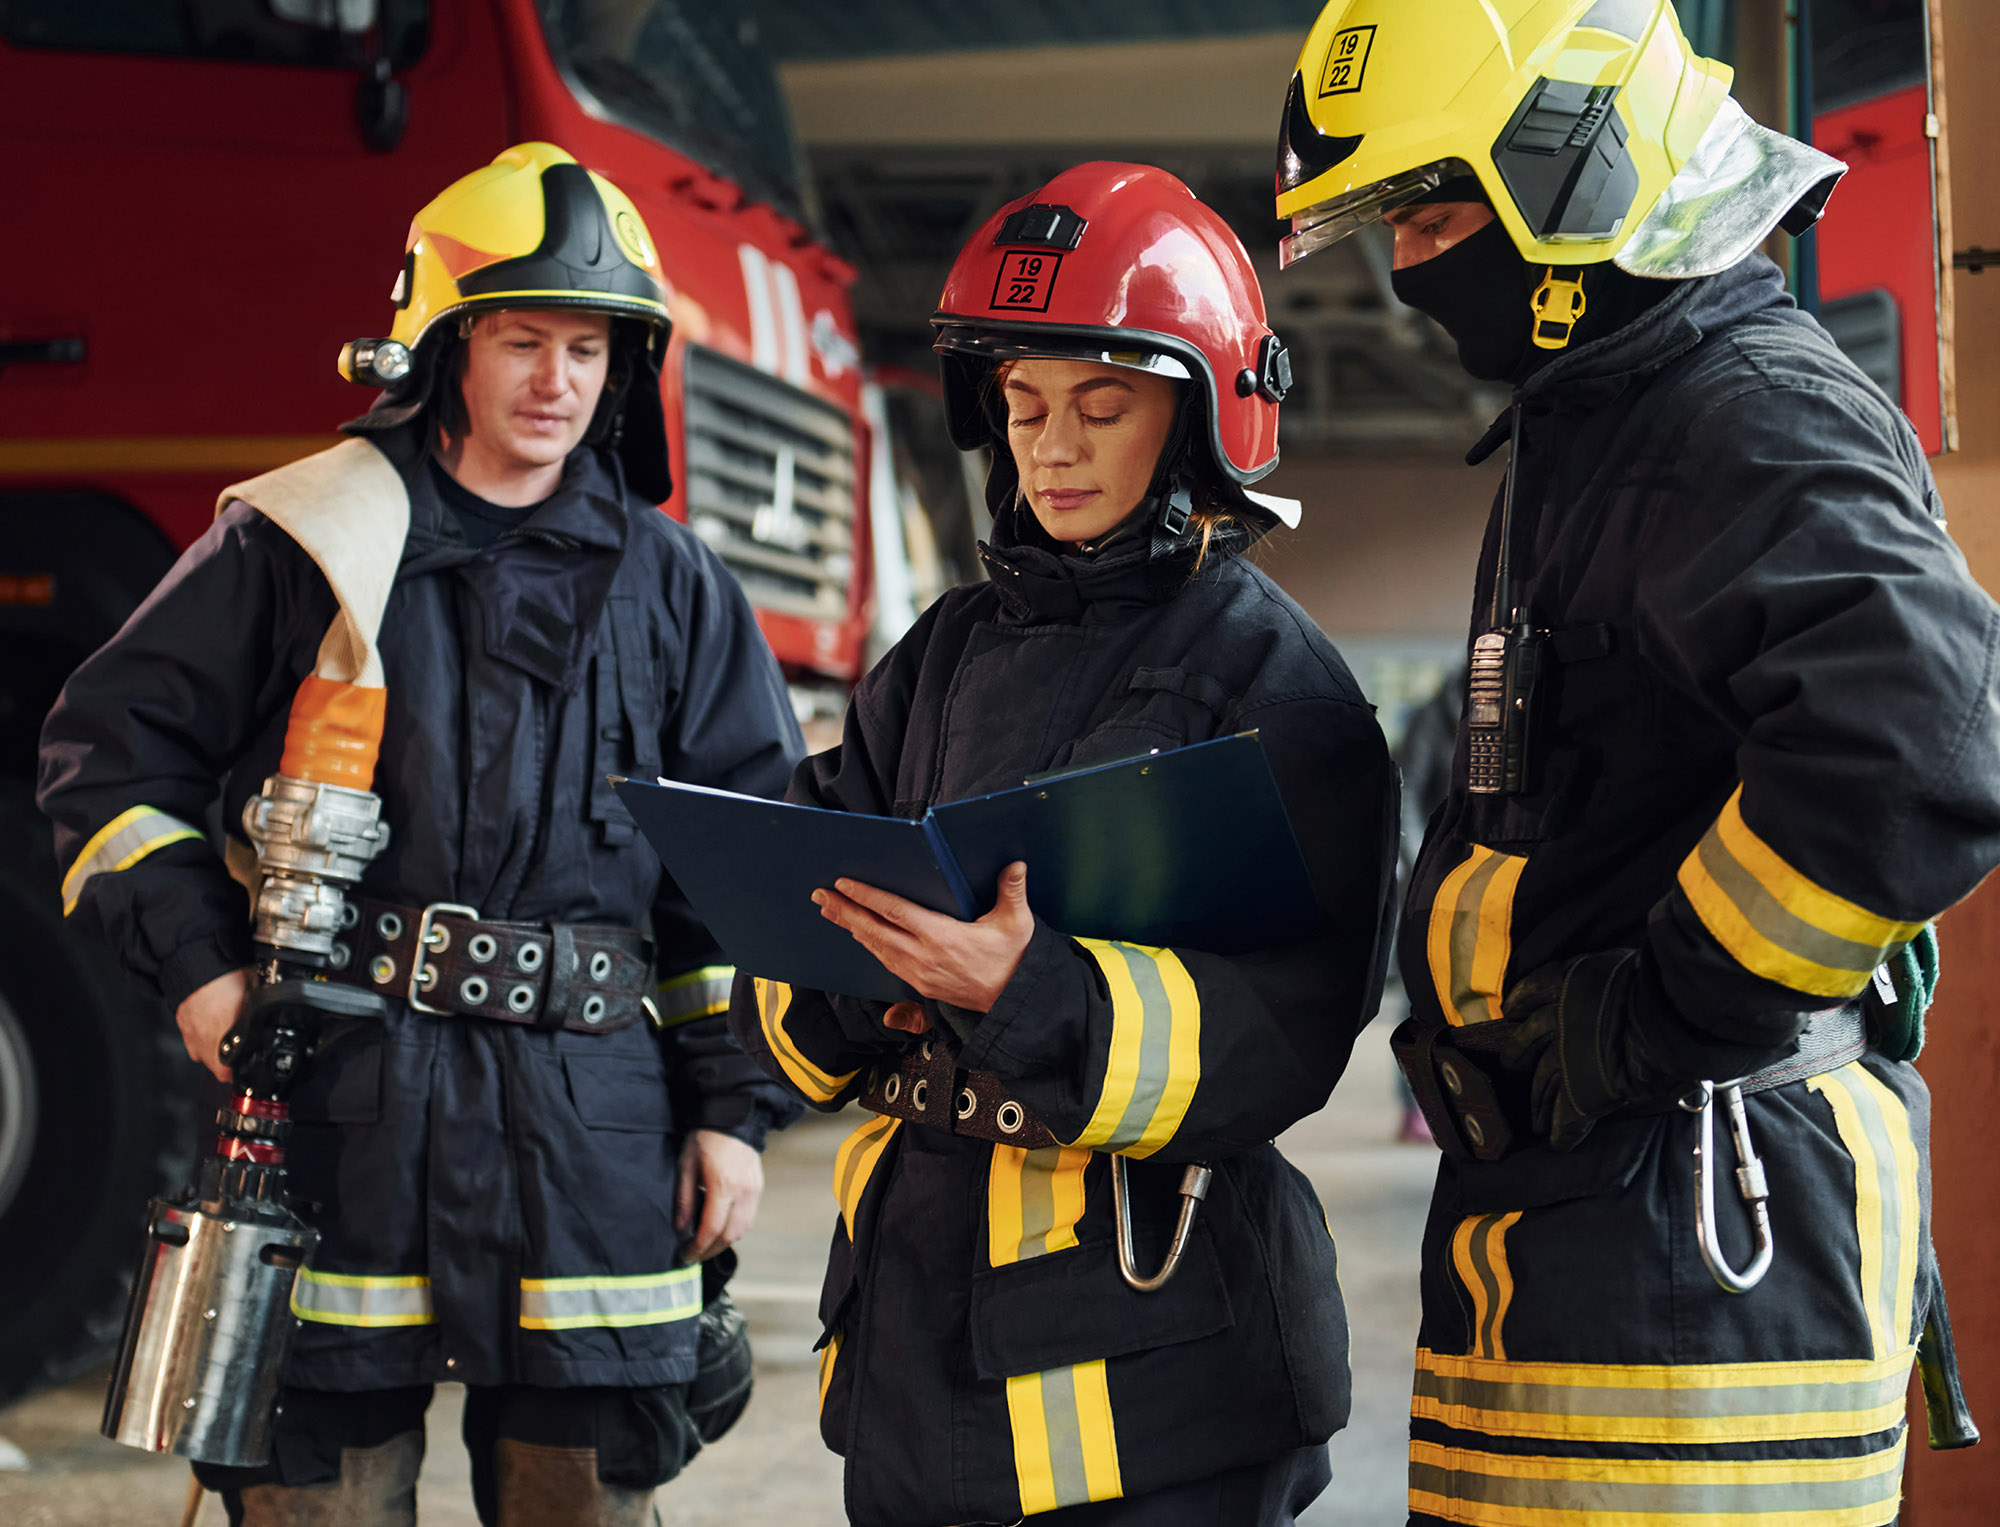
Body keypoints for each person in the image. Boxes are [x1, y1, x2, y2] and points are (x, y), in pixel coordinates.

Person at [1274, 3, 2000, 1523]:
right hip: (1588, 1245)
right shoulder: (1605, 426)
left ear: (1575, 162)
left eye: (1433, 205)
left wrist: (1673, 1004)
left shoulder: (1733, 416)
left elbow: (1930, 737)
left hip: (1701, 1263)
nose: (1407, 266)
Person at [38, 143, 803, 1526]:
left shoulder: (676, 590)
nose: (557, 381)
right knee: (315, 1499)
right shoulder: (305, 542)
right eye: (521, 337)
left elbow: (731, 875)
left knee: (583, 1498)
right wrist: (206, 975)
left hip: (595, 1139)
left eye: (589, 346)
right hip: (342, 1115)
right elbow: (105, 761)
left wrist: (733, 1113)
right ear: (442, 342)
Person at [725, 161, 1399, 1527]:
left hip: (1159, 1363)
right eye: (1024, 408)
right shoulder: (938, 657)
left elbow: (1298, 1027)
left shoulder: (1280, 683)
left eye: (1102, 405)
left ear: (1202, 418)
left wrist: (1026, 992)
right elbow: (794, 955)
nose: (1052, 448)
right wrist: (871, 968)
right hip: (913, 1340)